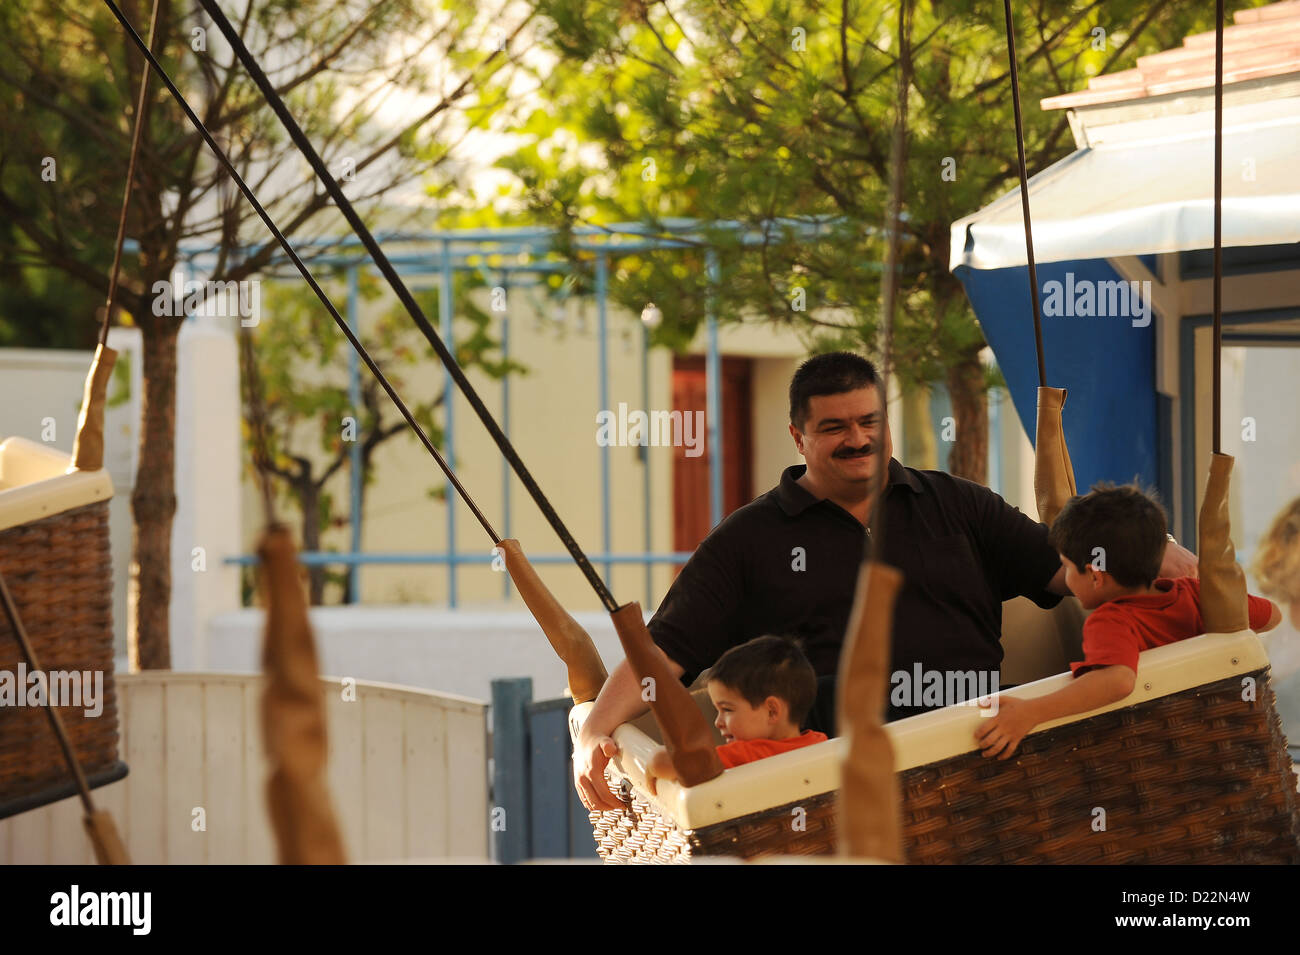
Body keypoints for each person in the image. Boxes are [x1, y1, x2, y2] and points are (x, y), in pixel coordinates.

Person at [574, 352, 1199, 812]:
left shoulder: (957, 503)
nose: (860, 439)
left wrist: (1152, 550)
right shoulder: (747, 538)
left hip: (985, 751)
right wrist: (595, 730)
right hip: (832, 783)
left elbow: (1068, 568)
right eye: (835, 428)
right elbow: (663, 650)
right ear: (798, 436)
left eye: (870, 420)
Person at [975, 484, 1281, 760]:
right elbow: (1271, 616)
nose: (1065, 577)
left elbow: (1118, 681)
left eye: (1067, 567)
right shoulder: (1195, 594)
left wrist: (1031, 712)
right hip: (1227, 738)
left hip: (1153, 752)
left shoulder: (1111, 622)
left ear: (1095, 575)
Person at [645, 636, 828, 795]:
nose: (718, 722)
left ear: (772, 711)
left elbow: (667, 762)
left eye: (727, 710)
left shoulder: (747, 755)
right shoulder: (821, 744)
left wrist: (653, 759)